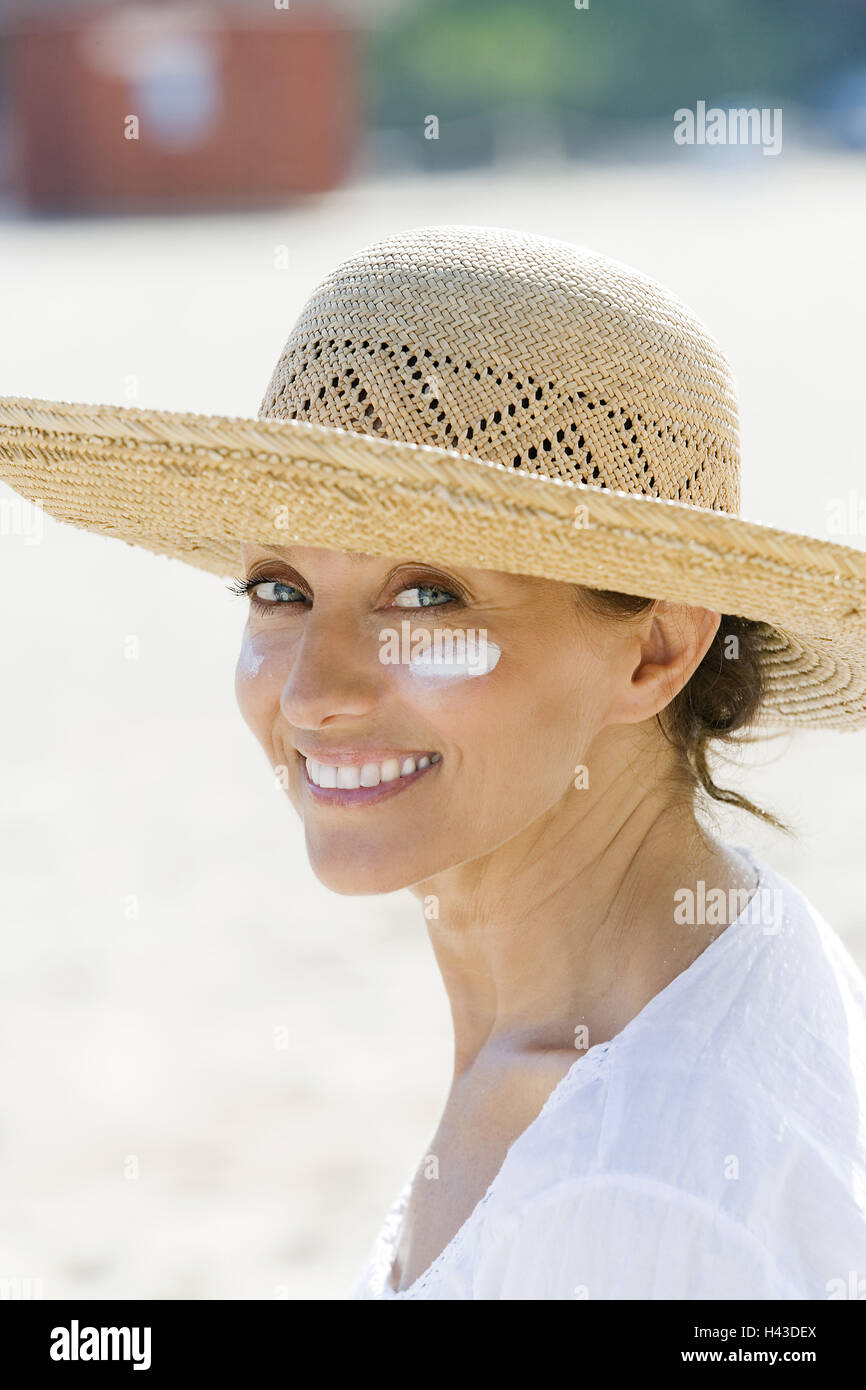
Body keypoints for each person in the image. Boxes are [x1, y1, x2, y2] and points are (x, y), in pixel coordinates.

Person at [2, 224, 865, 1300]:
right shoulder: (722, 961)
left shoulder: (632, 1204)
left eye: (424, 596)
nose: (317, 692)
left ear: (655, 649)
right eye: (278, 588)